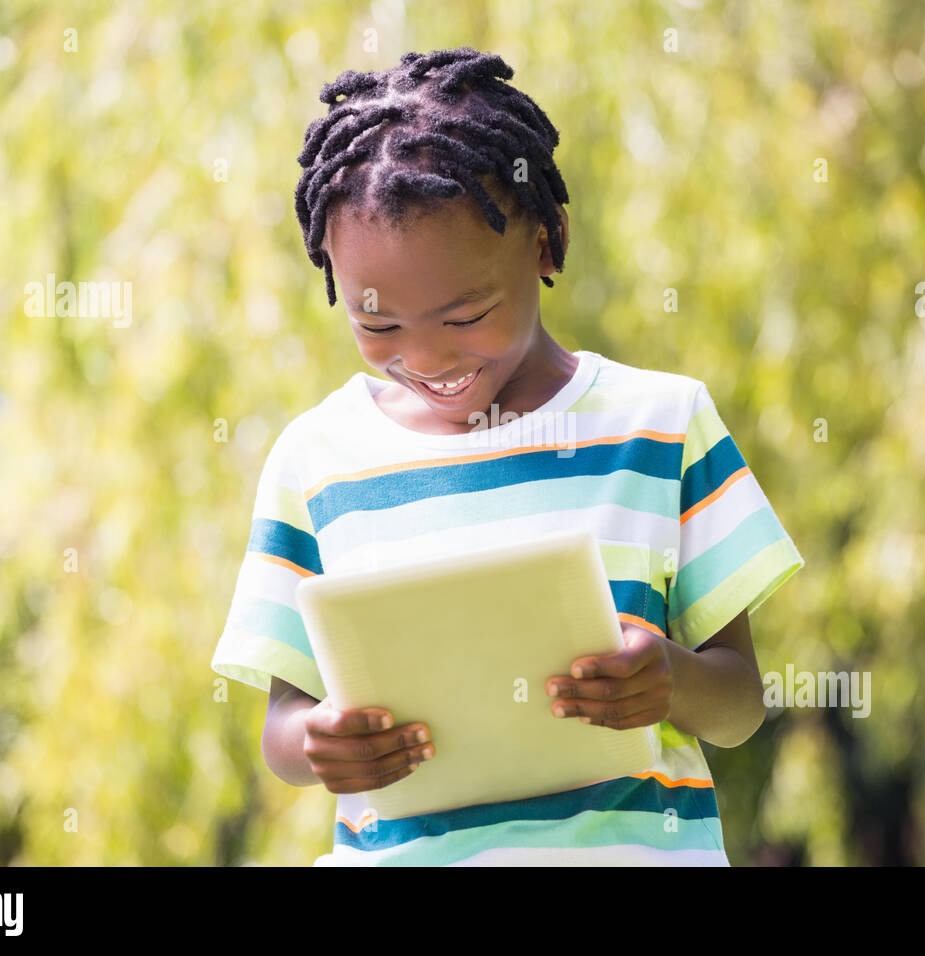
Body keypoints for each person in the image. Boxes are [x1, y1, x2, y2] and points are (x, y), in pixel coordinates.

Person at [210, 46, 804, 865]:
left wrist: (671, 679)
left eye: (465, 316)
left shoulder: (661, 425)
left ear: (548, 242)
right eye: (377, 326)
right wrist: (318, 742)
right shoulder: (317, 460)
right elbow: (282, 723)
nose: (425, 358)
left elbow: (739, 701)